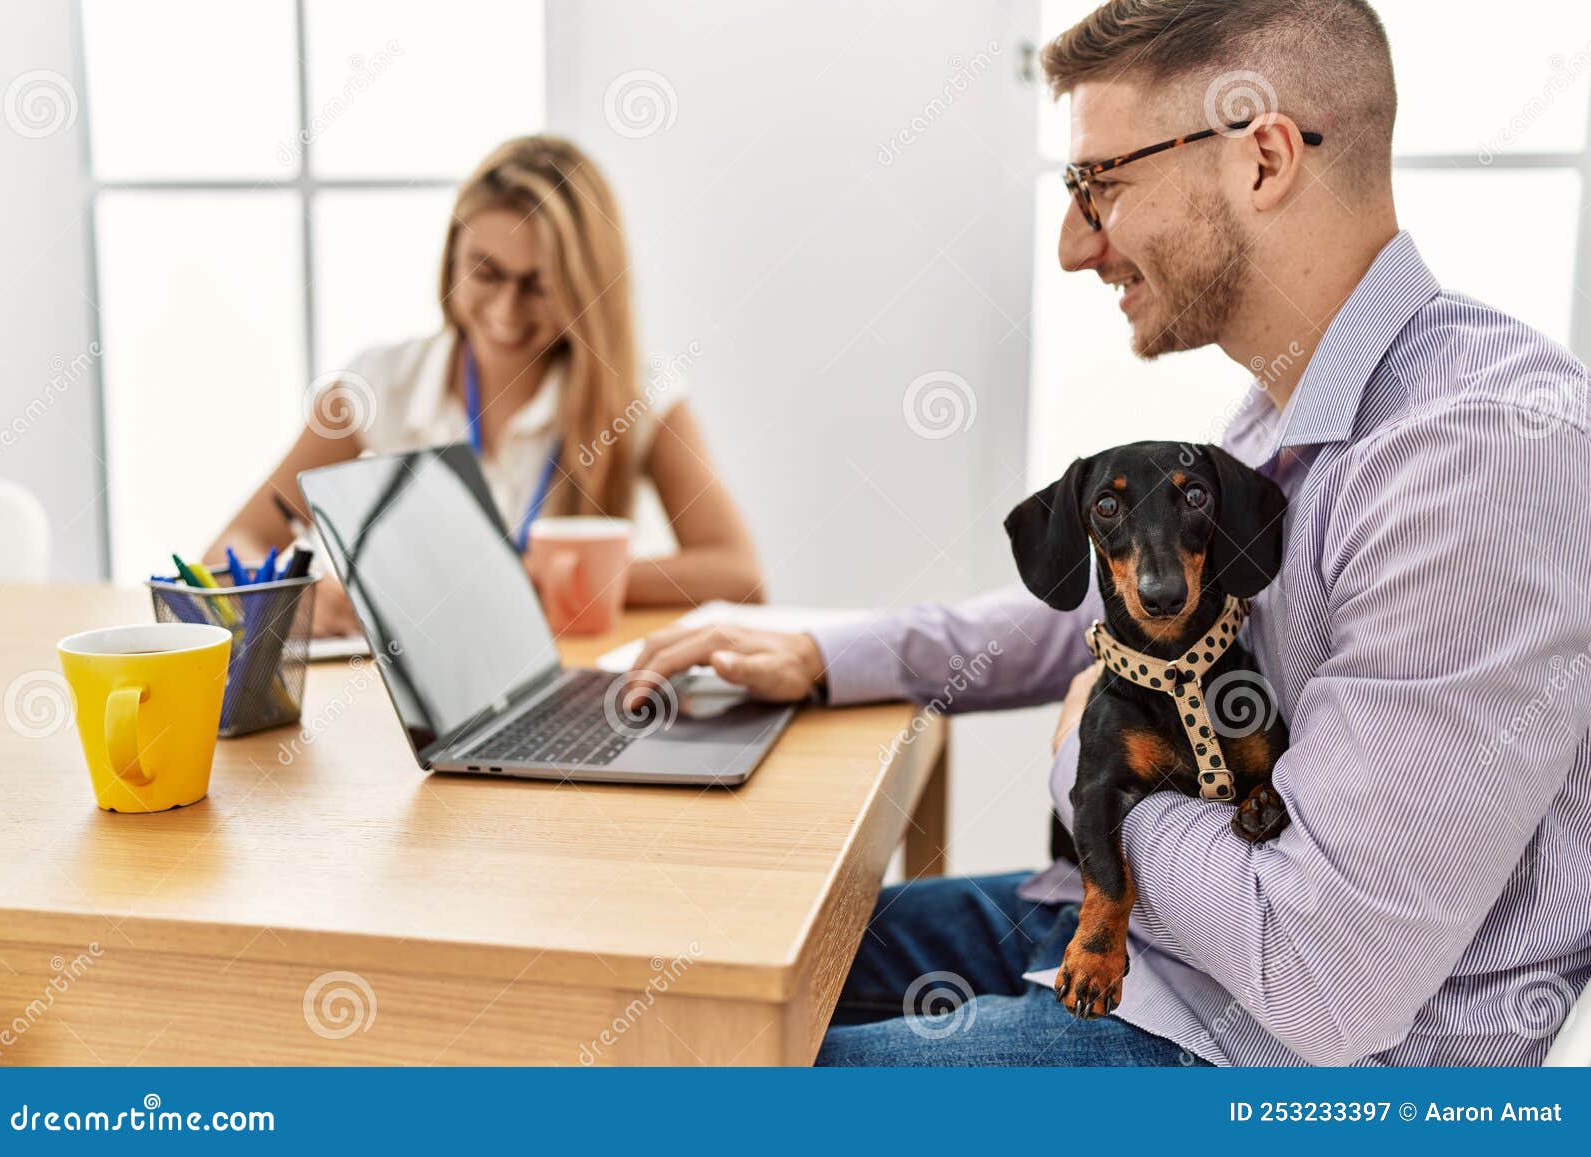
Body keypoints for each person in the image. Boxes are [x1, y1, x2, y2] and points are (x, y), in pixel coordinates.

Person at [627, 0, 1591, 1065]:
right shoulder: (1285, 421)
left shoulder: (1474, 457)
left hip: (1283, 1058)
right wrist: (822, 653)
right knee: (697, 981)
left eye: (1100, 182)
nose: (1074, 243)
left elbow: (1323, 981)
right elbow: (1113, 609)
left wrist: (1084, 764)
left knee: (696, 1067)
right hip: (1168, 949)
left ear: (1262, 158)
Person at [209, 136, 761, 634]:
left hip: (564, 691)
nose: (505, 311)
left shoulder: (635, 393)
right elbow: (231, 547)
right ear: (451, 257)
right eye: (486, 272)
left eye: (538, 286)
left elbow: (739, 574)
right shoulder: (377, 385)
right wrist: (291, 601)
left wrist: (542, 577)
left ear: (587, 286)